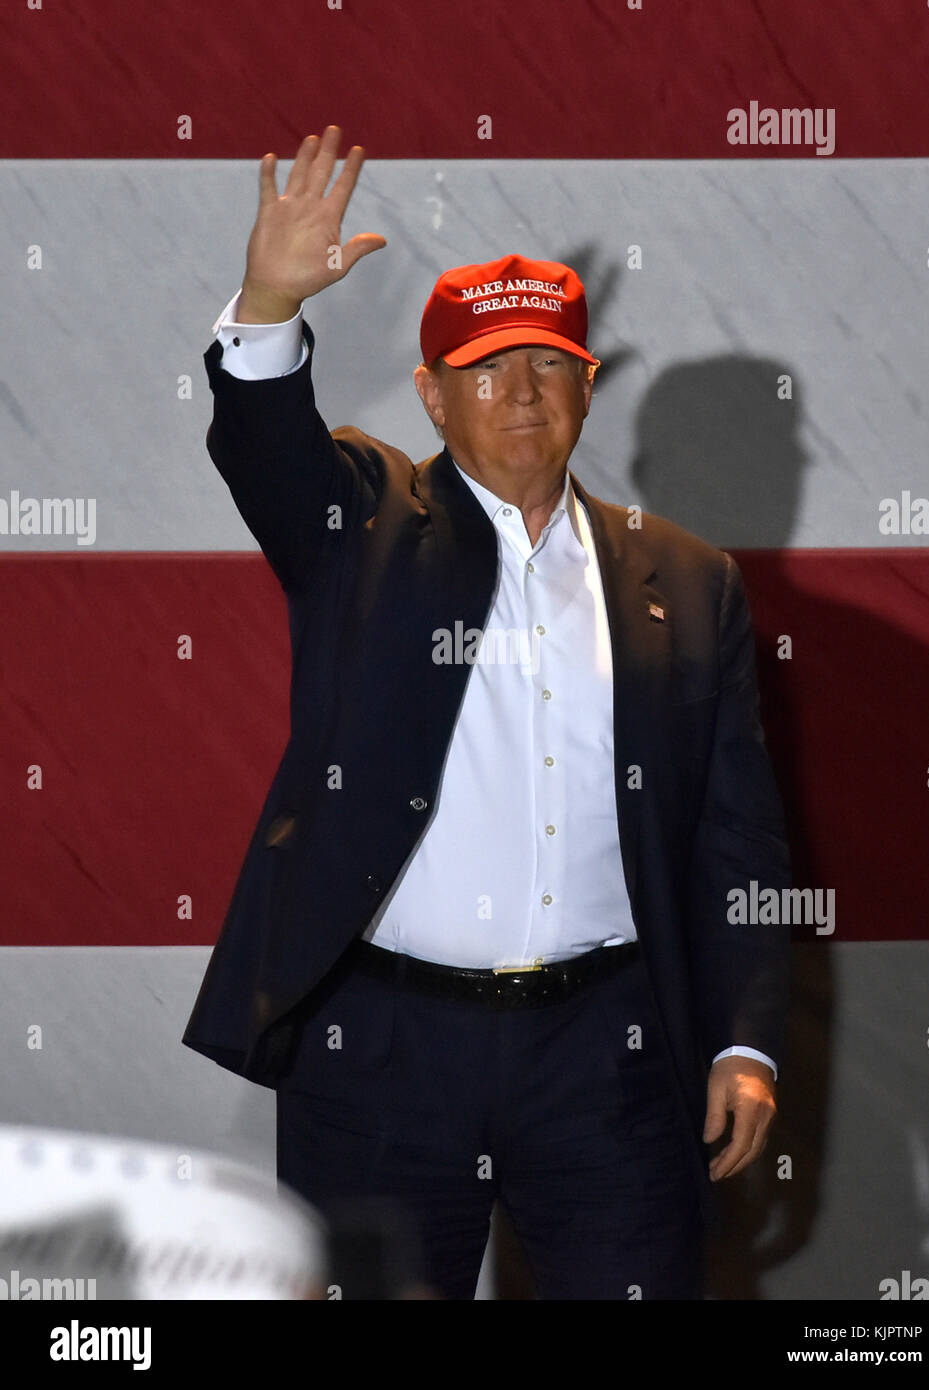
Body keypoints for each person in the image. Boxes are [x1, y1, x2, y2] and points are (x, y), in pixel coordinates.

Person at [183, 125, 791, 1300]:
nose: (520, 393)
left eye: (549, 363)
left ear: (588, 383)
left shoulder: (689, 577)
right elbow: (264, 444)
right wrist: (266, 300)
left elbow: (738, 838)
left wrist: (746, 1037)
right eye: (484, 367)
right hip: (383, 1055)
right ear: (431, 392)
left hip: (612, 1054)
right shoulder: (362, 519)